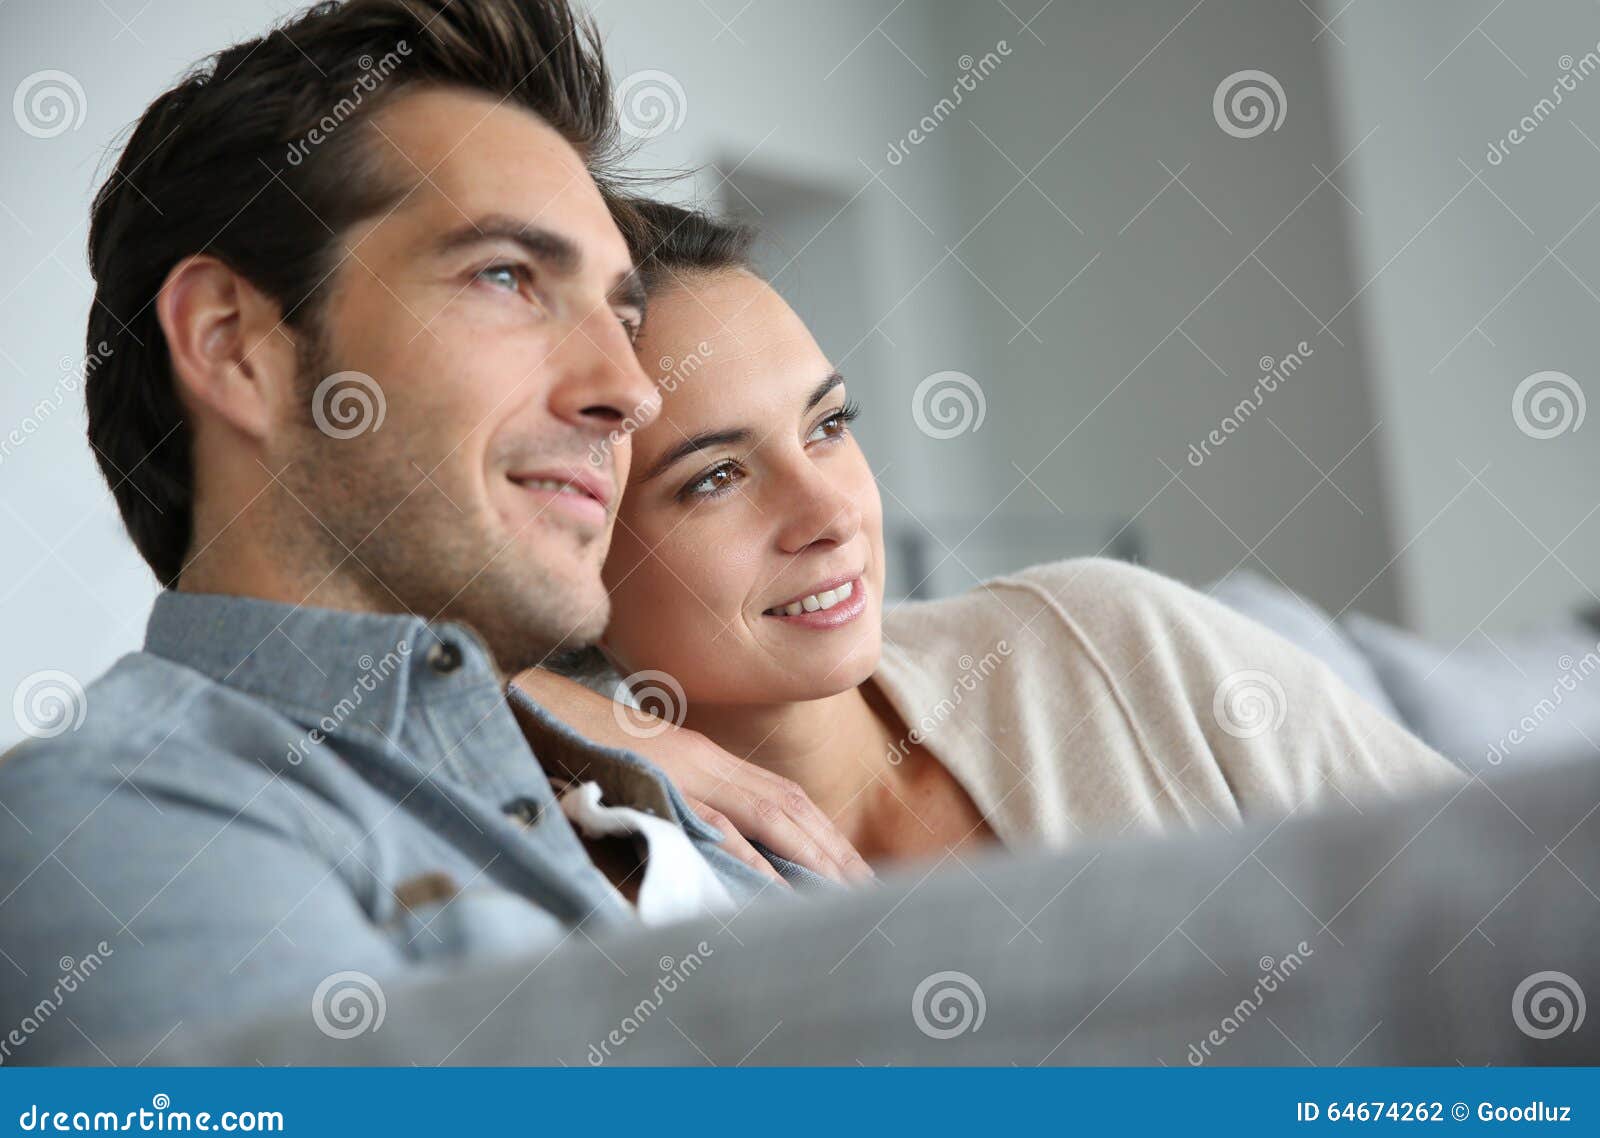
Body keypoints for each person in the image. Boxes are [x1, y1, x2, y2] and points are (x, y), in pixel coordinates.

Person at [0, 0, 864, 1065]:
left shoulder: (673, 809)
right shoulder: (108, 826)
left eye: (624, 319)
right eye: (506, 275)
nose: (632, 392)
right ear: (233, 344)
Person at [514, 198, 1465, 867]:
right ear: (577, 538)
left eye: (829, 426)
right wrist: (541, 700)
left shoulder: (1106, 639)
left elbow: (1525, 892)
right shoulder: (600, 861)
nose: (833, 511)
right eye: (716, 476)